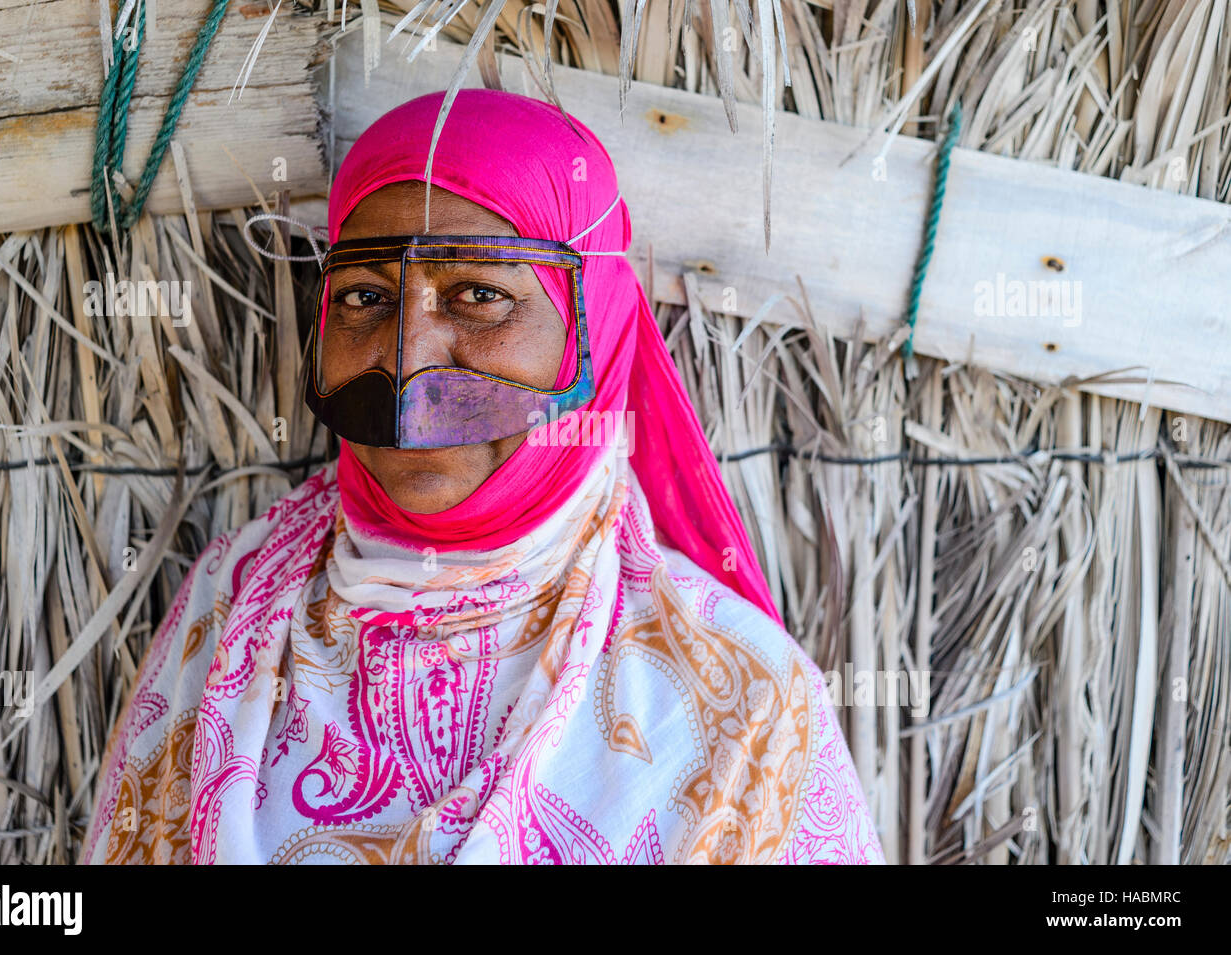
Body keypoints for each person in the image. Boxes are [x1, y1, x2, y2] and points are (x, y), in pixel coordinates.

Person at [81, 88, 885, 865]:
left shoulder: (741, 704)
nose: (406, 361)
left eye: (479, 294)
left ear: (594, 322)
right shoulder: (233, 605)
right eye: (364, 295)